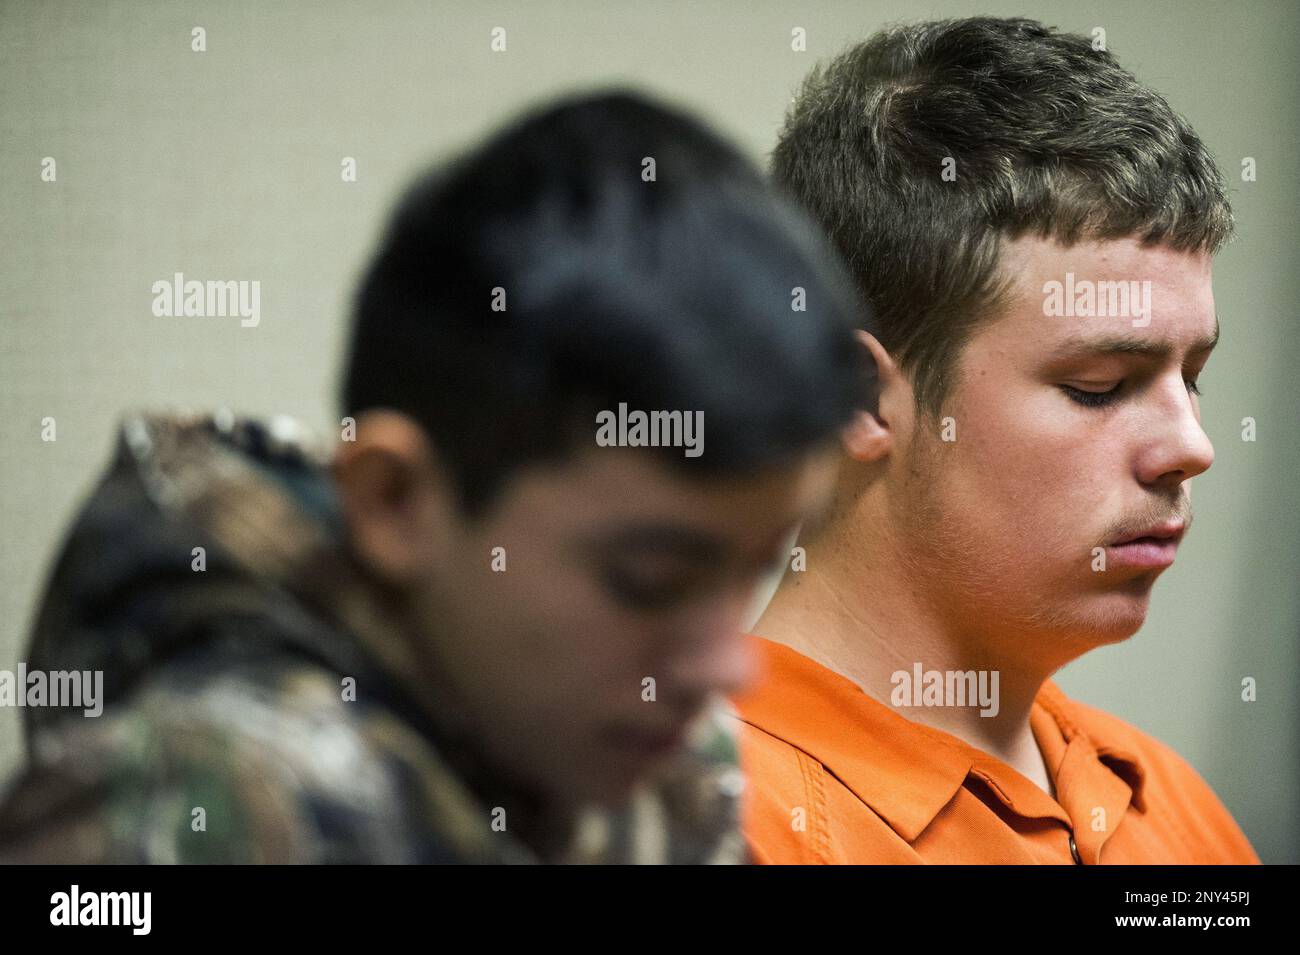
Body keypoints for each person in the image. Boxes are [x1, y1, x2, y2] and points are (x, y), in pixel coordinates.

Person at [0, 90, 867, 863]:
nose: (727, 666)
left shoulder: (665, 765)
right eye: (649, 580)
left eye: (757, 566)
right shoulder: (189, 820)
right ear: (394, 500)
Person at [733, 17, 1260, 864]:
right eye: (1101, 386)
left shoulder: (1169, 803)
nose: (1191, 445)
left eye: (1191, 375)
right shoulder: (691, 827)